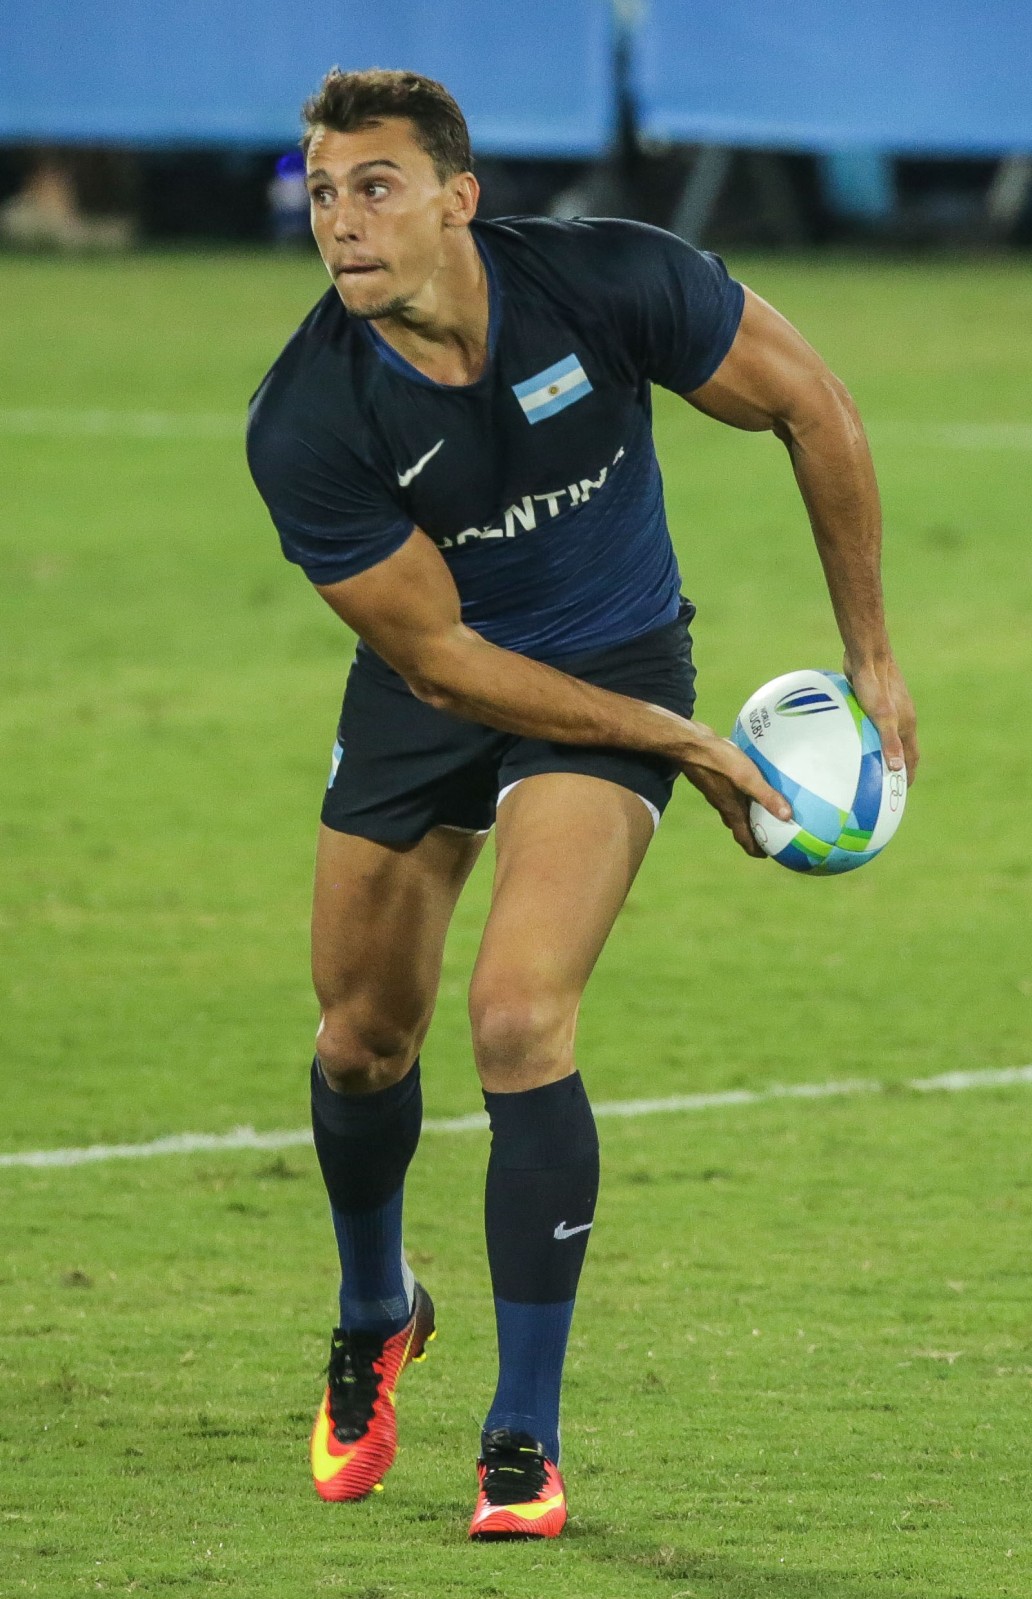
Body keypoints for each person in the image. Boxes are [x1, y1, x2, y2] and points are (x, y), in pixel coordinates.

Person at [246, 68, 918, 1541]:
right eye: (320, 190)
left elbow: (808, 404)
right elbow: (441, 657)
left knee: (515, 1017)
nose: (339, 222)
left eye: (373, 186)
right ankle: (378, 1307)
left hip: (612, 659)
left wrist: (868, 653)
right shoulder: (307, 418)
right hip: (433, 697)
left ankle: (520, 1438)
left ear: (456, 196)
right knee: (362, 1042)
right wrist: (684, 740)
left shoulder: (614, 283)